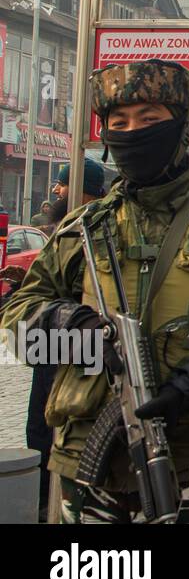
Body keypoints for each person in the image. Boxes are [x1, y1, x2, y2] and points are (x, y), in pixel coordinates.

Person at [0, 58, 189, 523]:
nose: (132, 132)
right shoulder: (83, 228)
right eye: (118, 122)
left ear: (184, 128)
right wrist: (69, 326)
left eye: (149, 120)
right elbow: (17, 320)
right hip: (88, 458)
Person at [24, 158, 108, 521]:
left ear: (82, 188)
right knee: (39, 430)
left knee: (66, 430)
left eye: (63, 184)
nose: (56, 190)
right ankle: (44, 504)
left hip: (82, 348)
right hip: (52, 344)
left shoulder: (97, 225)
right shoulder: (61, 228)